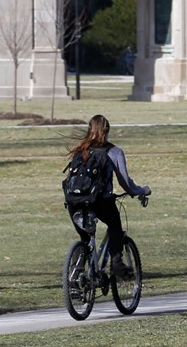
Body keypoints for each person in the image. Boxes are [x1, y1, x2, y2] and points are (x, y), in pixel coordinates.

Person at [66, 114, 151, 274]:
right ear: (107, 130)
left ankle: (74, 278)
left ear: (90, 130)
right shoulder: (114, 152)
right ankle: (117, 263)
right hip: (99, 201)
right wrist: (141, 190)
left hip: (74, 202)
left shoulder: (80, 150)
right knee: (115, 226)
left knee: (85, 238)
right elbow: (125, 183)